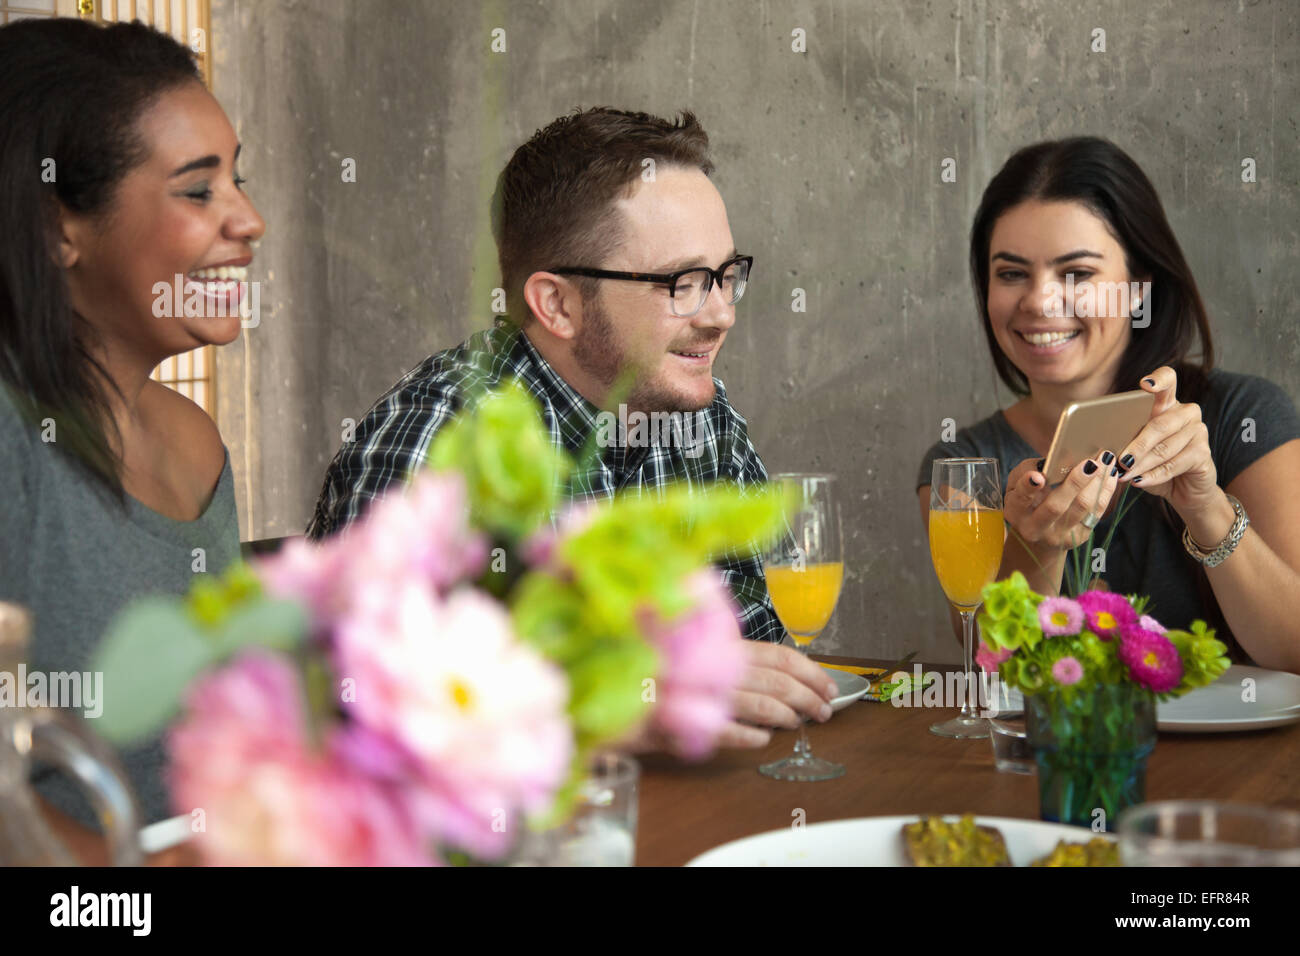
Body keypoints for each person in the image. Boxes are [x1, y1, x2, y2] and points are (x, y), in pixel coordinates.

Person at [308, 107, 838, 746]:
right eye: (684, 283)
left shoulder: (701, 416)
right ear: (557, 304)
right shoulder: (437, 438)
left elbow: (760, 638)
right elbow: (357, 706)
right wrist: (617, 705)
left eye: (727, 276)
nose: (722, 313)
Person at [0, 18, 265, 855]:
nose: (249, 220)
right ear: (56, 230)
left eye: (238, 180)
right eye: (198, 190)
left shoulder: (192, 440)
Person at [918, 137, 1300, 673]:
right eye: (1010, 273)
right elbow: (998, 674)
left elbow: (1294, 652)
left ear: (1139, 288)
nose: (1040, 301)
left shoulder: (1243, 416)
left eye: (1076, 273)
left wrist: (1204, 507)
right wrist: (1043, 551)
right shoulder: (965, 464)